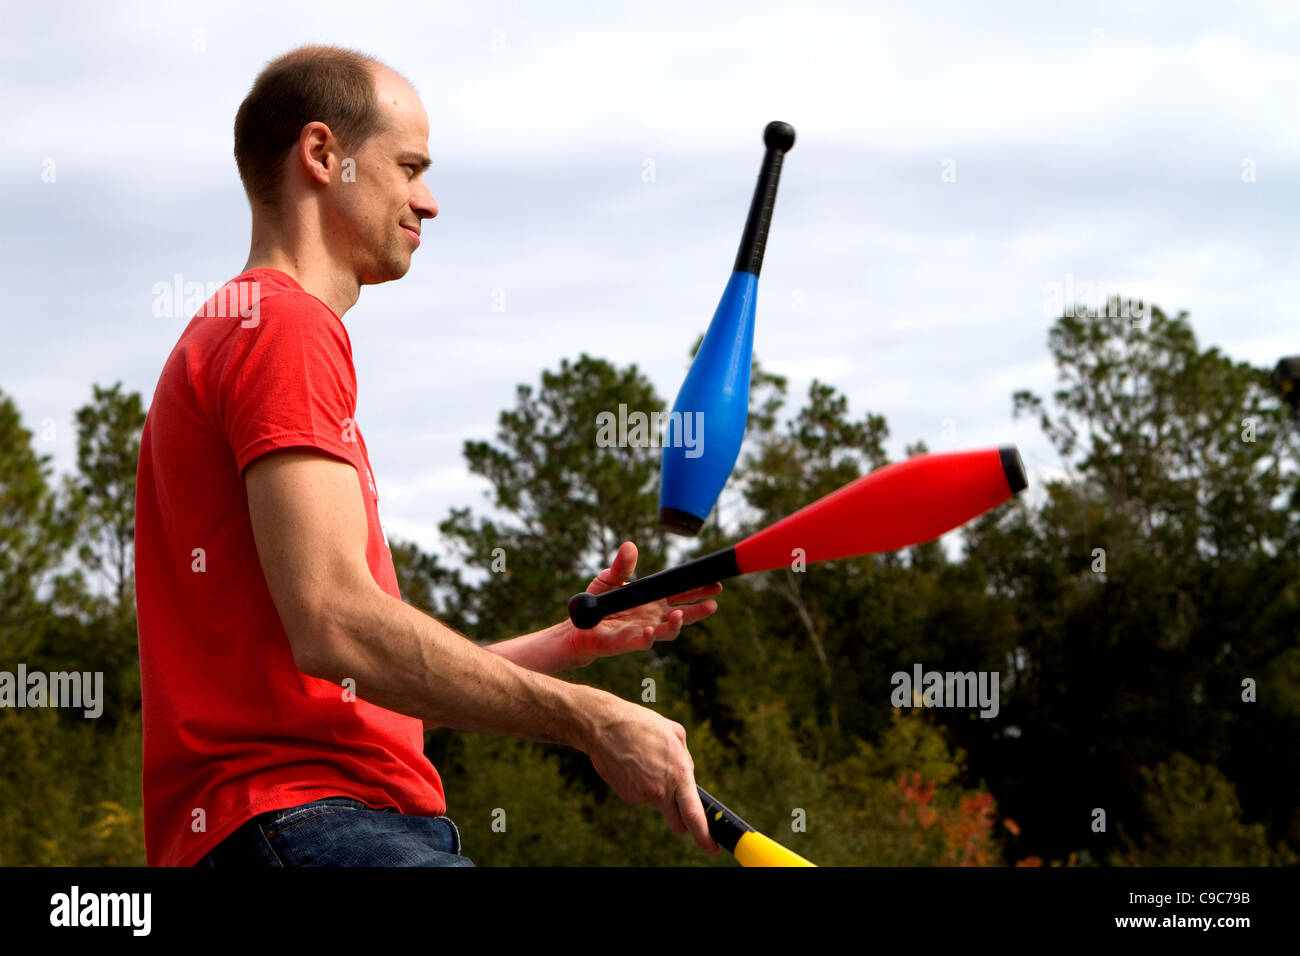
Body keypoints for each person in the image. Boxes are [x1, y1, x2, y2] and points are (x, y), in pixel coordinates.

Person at [134, 45, 722, 867]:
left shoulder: (228, 331)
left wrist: (566, 644)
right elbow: (339, 626)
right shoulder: (286, 330)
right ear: (322, 156)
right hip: (315, 827)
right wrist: (593, 718)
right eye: (408, 166)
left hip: (279, 834)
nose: (429, 201)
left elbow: (349, 683)